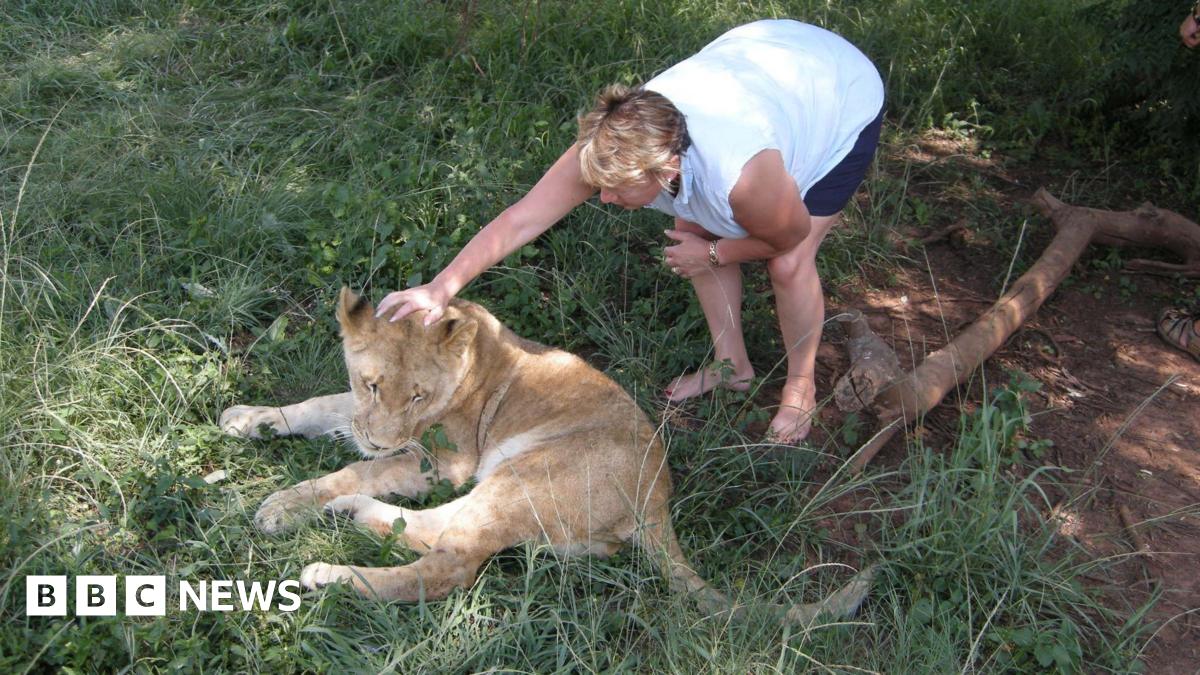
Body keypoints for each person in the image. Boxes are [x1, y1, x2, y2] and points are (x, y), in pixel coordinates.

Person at [376, 19, 885, 444]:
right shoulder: (613, 145)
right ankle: (735, 371)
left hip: (836, 93)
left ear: (665, 173)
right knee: (694, 231)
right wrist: (440, 287)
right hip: (762, 50)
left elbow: (788, 238)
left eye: (617, 190)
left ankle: (801, 385)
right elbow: (523, 217)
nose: (603, 198)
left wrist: (714, 254)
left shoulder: (744, 178)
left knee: (785, 266)